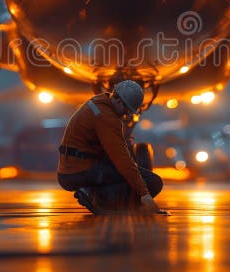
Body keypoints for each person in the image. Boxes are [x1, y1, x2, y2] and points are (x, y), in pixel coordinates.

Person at [57, 80, 164, 214]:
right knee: (153, 182)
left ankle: (95, 194)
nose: (126, 115)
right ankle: (96, 196)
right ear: (119, 101)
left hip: (72, 170)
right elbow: (122, 160)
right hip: (80, 172)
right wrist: (145, 194)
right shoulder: (107, 117)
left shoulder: (100, 101)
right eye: (127, 110)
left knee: (132, 175)